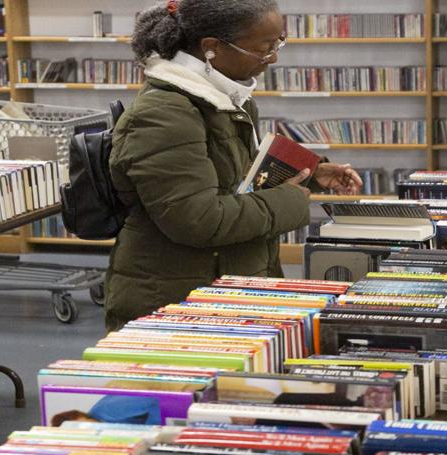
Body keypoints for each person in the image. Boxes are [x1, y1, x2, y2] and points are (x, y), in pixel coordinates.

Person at [106, 0, 363, 331]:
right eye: (265, 48)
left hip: (221, 280)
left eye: (278, 43)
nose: (273, 58)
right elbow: (199, 220)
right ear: (211, 48)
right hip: (176, 299)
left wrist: (310, 173)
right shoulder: (164, 113)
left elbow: (236, 175)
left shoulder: (223, 96)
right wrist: (292, 200)